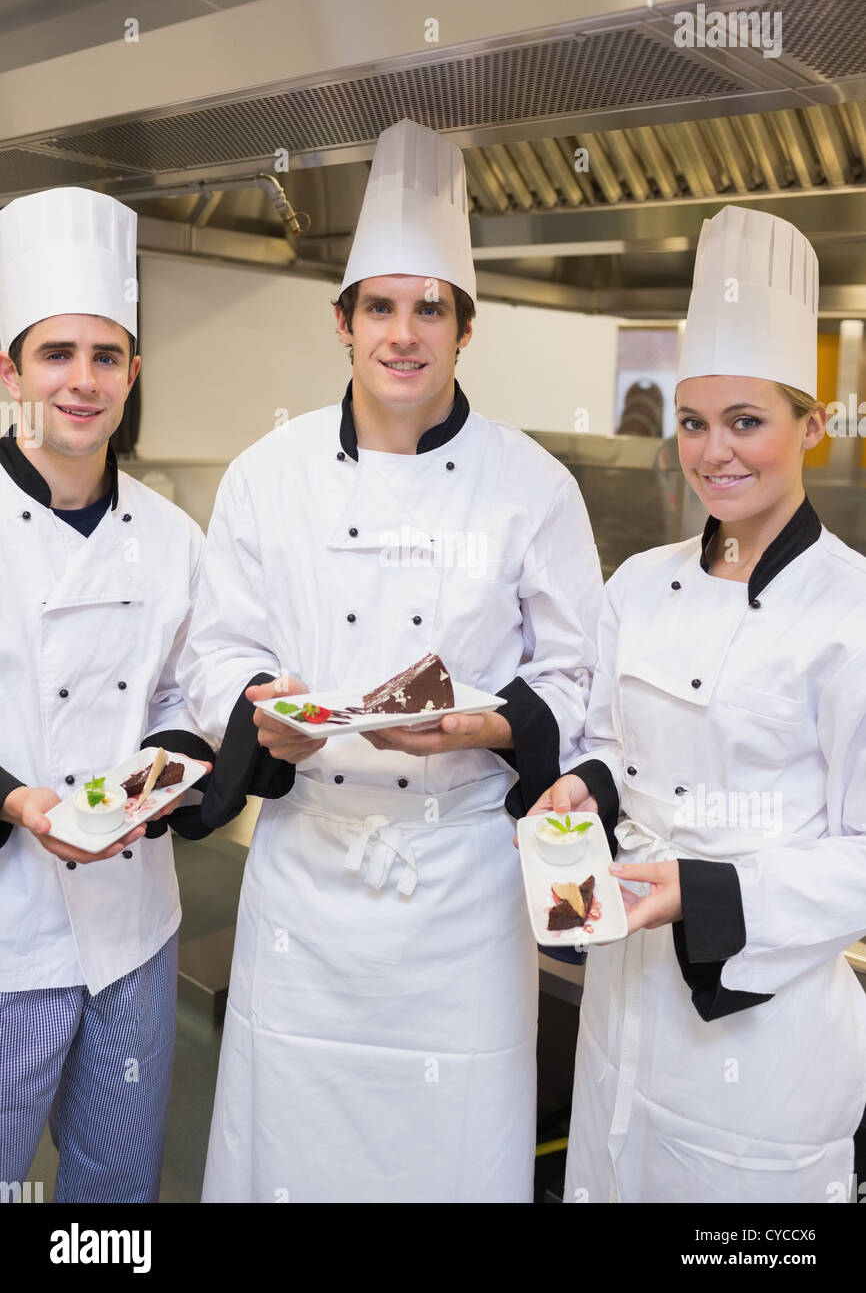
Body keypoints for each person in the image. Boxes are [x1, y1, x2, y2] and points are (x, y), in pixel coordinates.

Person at [179, 118, 610, 1202]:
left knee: (449, 1155)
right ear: (343, 321)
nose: (403, 333)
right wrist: (256, 706)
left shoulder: (530, 486)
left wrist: (489, 724)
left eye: (431, 309)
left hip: (458, 896)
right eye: (381, 305)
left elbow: (580, 679)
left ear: (466, 329)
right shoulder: (267, 475)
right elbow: (217, 646)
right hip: (305, 882)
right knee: (288, 1146)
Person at [530, 204, 866, 1204]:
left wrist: (701, 891)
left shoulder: (849, 612)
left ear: (811, 425)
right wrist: (576, 792)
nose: (712, 451)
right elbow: (606, 746)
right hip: (622, 1016)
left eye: (745, 422)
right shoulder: (635, 581)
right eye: (691, 422)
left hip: (762, 1046)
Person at [0, 187, 214, 1203]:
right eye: (56, 354)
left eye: (105, 356)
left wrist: (163, 772)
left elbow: (190, 686)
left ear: (133, 373)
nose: (81, 382)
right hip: (5, 928)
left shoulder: (173, 534)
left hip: (134, 924)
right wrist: (16, 798)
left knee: (116, 1191)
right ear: (9, 370)